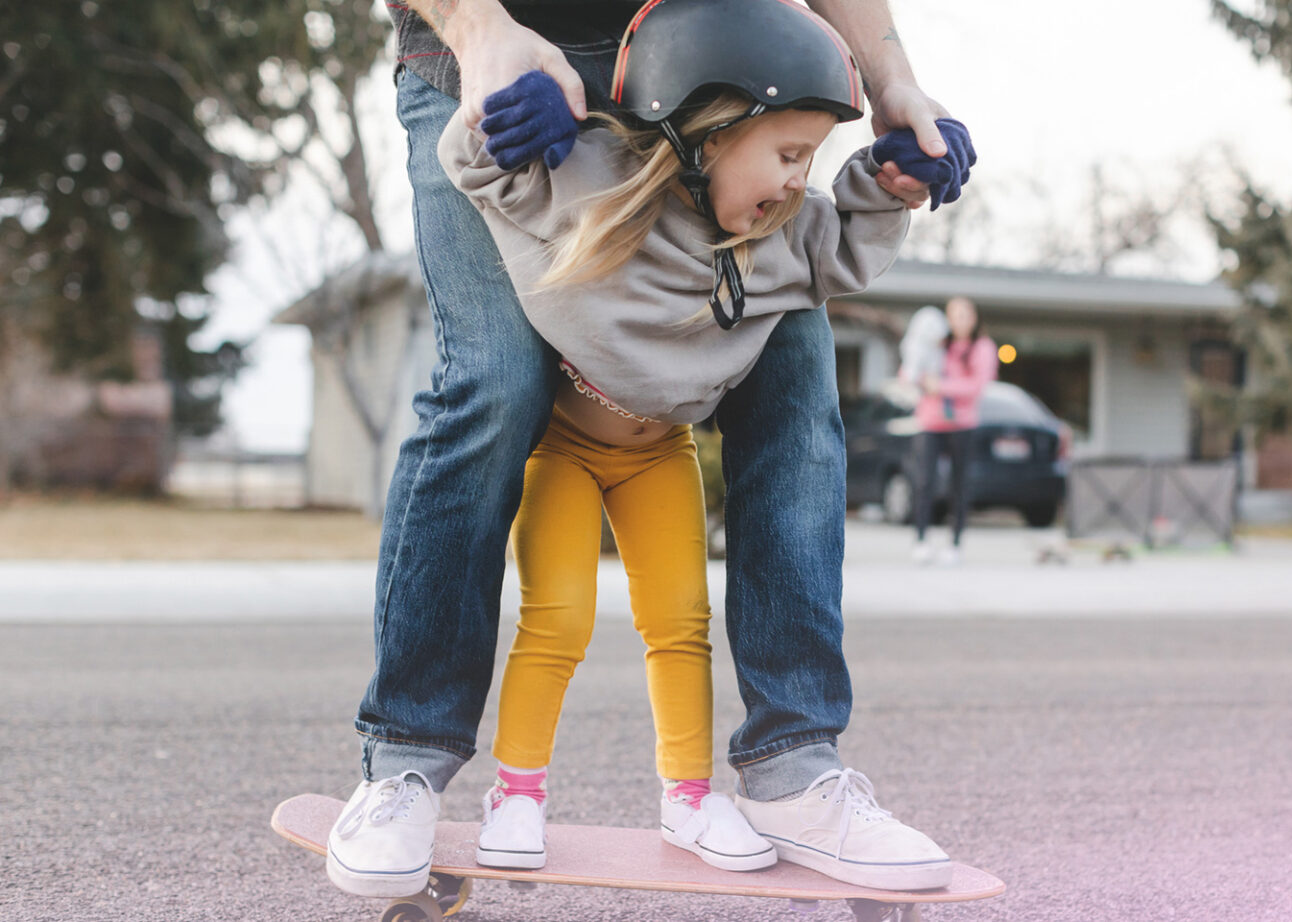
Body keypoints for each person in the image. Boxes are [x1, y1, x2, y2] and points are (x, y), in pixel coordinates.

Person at [325, 0, 976, 898]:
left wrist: (893, 108)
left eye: (812, 162)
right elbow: (479, 164)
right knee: (493, 384)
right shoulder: (601, 184)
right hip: (505, 60)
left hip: (726, 55)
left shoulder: (780, 221)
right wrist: (482, 40)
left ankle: (793, 768)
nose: (803, 183)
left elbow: (841, 242)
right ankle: (406, 761)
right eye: (797, 160)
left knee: (794, 393)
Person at [909, 297, 998, 566]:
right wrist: (915, 375)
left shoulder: (983, 347)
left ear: (974, 318)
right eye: (954, 315)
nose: (959, 320)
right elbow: (914, 370)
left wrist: (942, 386)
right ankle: (921, 540)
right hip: (930, 422)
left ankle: (955, 543)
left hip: (963, 424)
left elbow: (977, 386)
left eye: (964, 314)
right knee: (925, 481)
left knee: (959, 484)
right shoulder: (937, 343)